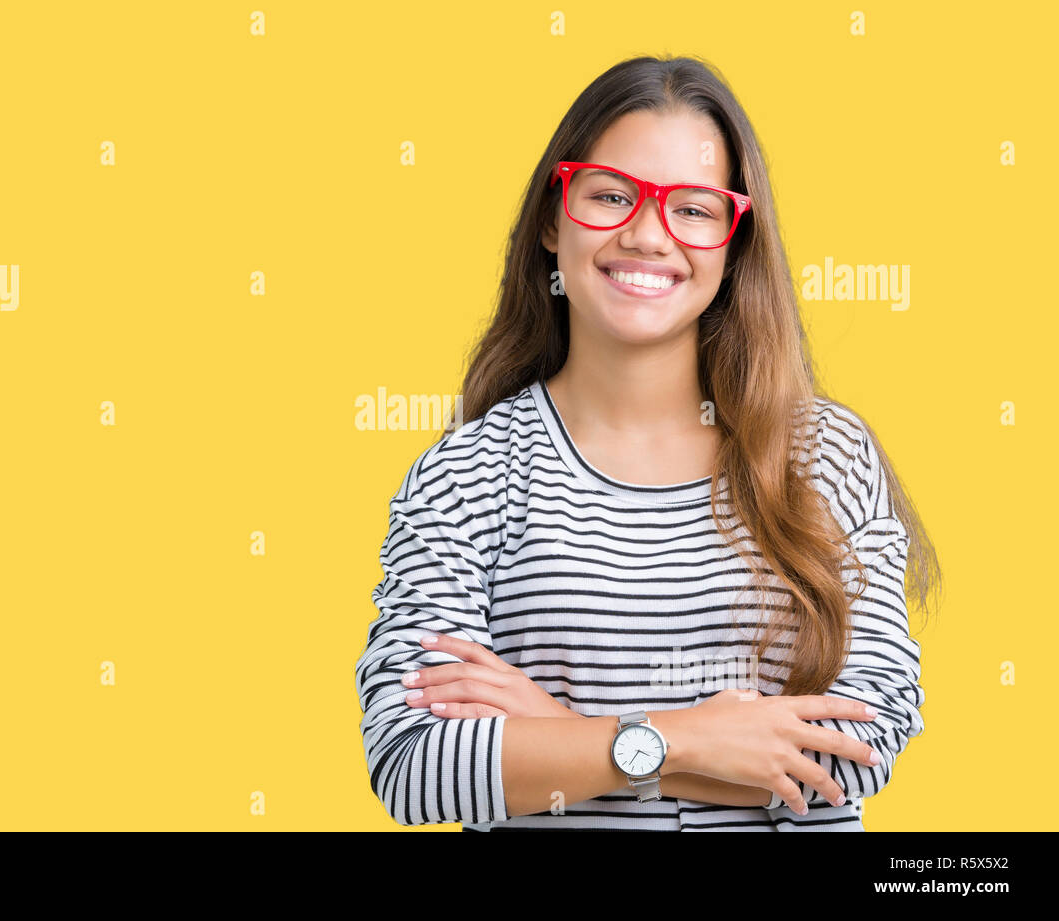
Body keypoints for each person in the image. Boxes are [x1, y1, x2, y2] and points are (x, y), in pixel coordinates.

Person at [355, 55, 940, 831]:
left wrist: (557, 732)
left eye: (693, 209)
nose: (646, 234)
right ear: (550, 217)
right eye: (611, 195)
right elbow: (415, 764)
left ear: (733, 243)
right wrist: (680, 739)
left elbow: (859, 750)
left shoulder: (825, 455)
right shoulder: (467, 476)